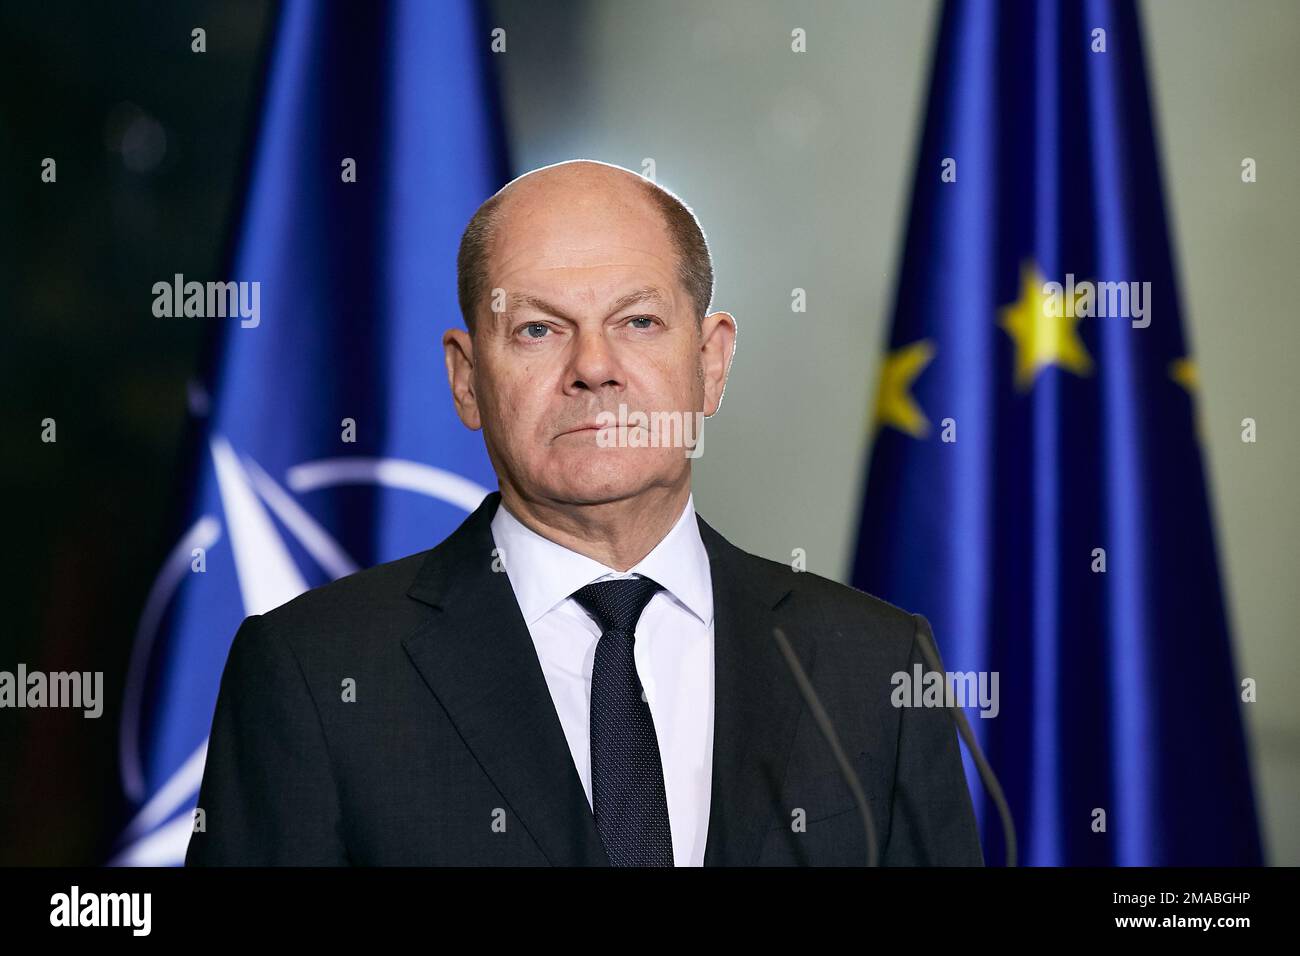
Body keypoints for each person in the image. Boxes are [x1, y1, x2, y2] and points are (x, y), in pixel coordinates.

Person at [184, 159, 983, 866]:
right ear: (466, 379)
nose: (593, 368)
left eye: (638, 322)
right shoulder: (313, 673)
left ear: (711, 363)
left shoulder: (874, 664)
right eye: (537, 329)